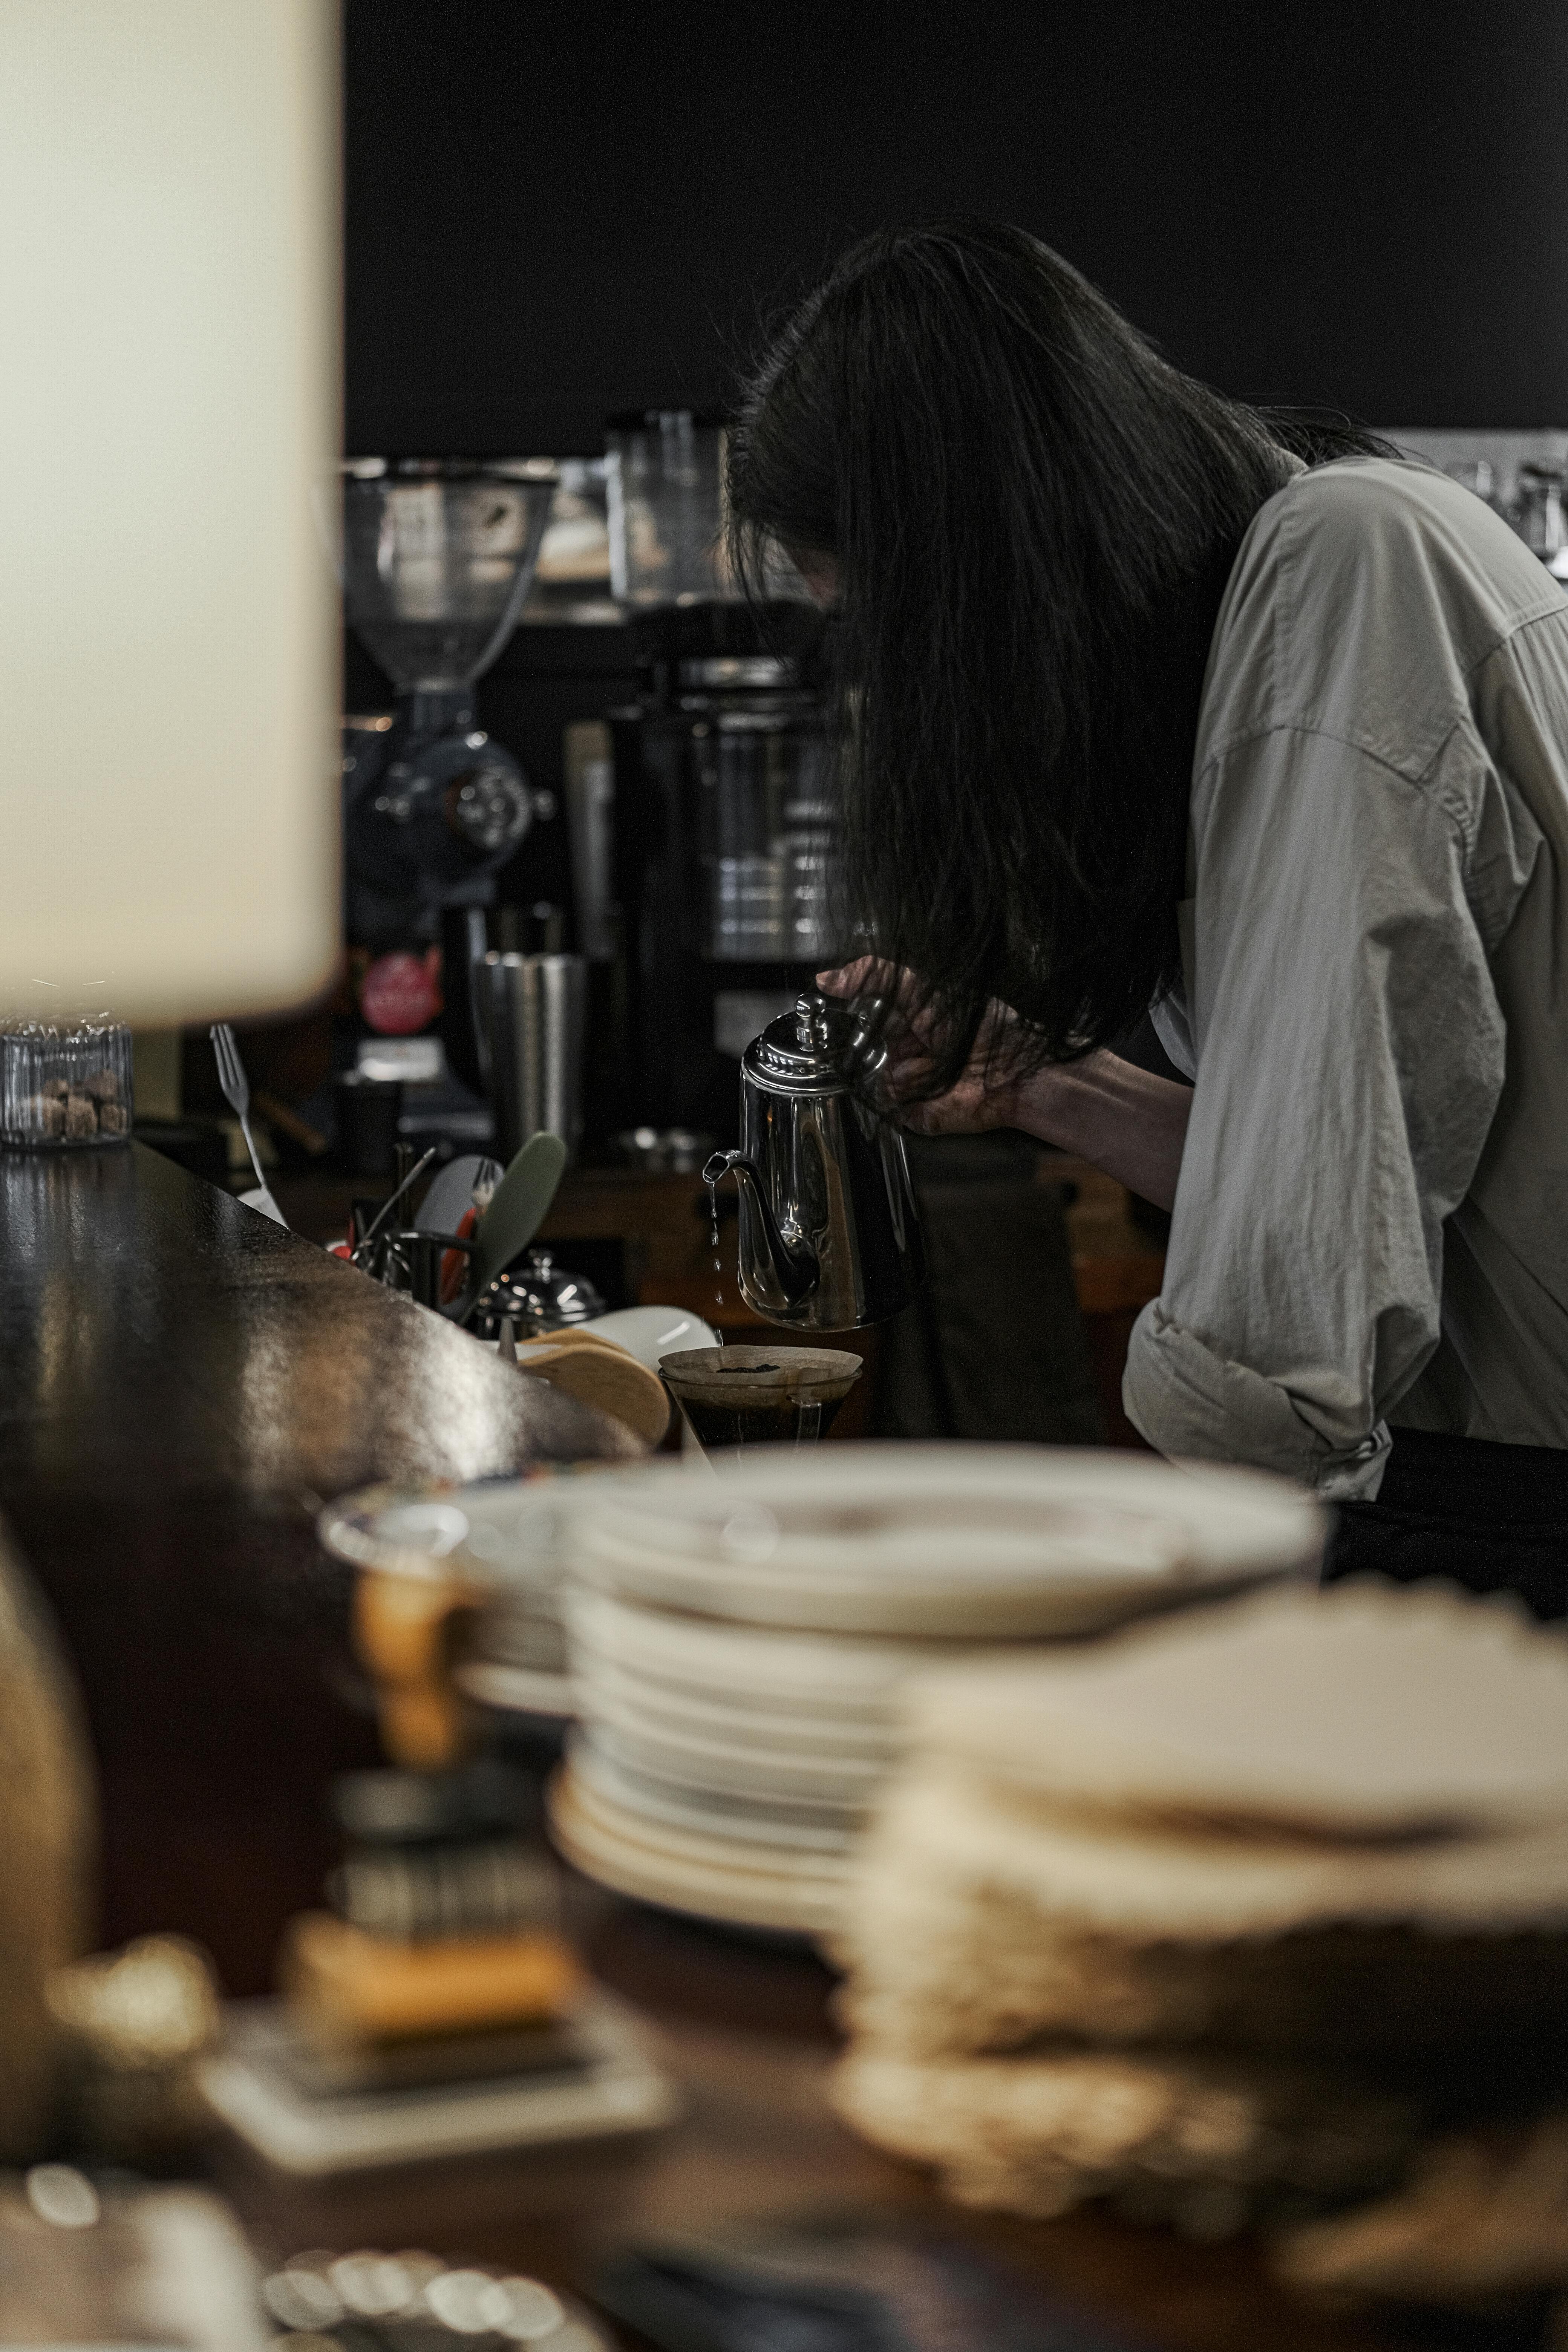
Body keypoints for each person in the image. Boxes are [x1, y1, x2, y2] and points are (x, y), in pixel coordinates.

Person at [723, 221, 1568, 1615]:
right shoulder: (1293, 599)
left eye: (902, 639)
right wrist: (1052, 1084)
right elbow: (1378, 1185)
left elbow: (1290, 1335)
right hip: (1486, 1488)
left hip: (1523, 1517)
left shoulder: (1346, 568)